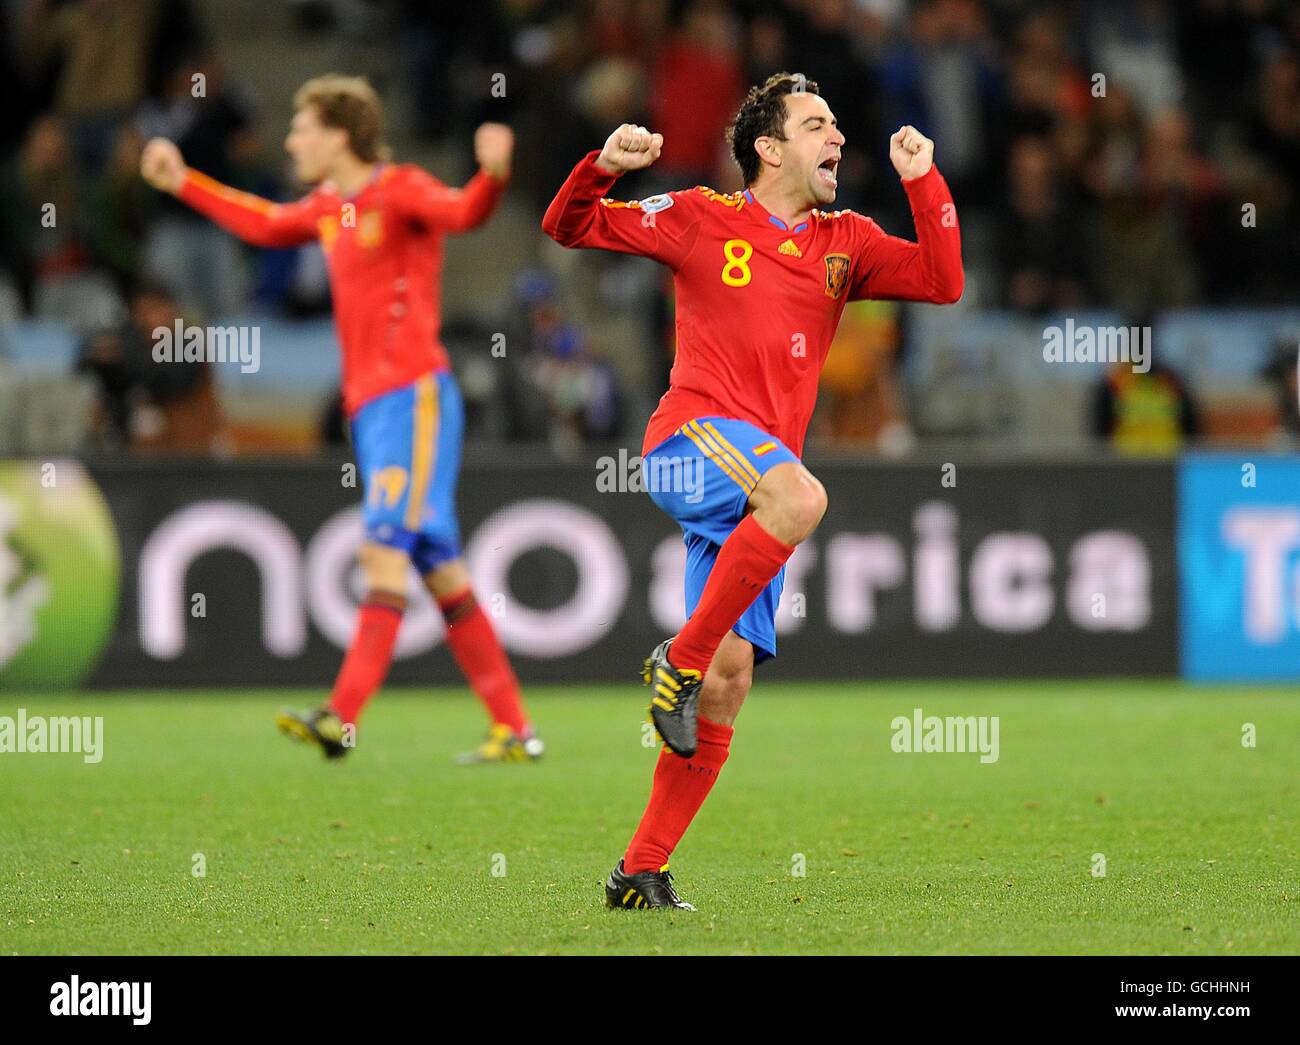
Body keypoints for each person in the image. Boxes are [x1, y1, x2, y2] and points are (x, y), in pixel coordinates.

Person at [544, 72, 963, 910]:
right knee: (803, 501)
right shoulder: (702, 216)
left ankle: (640, 868)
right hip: (690, 443)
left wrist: (926, 183)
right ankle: (678, 659)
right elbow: (570, 225)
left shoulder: (845, 242)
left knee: (732, 676)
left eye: (837, 123)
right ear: (769, 149)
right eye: (816, 124)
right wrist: (605, 164)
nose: (836, 135)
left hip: (755, 492)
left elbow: (941, 280)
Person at [140, 74, 541, 763]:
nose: (291, 140)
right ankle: (514, 727)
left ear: (338, 134)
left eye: (302, 128)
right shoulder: (331, 205)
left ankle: (340, 714)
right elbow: (266, 224)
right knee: (439, 567)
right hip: (373, 407)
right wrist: (184, 182)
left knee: (382, 547)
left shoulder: (402, 188)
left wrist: (494, 173)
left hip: (414, 395)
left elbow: (466, 211)